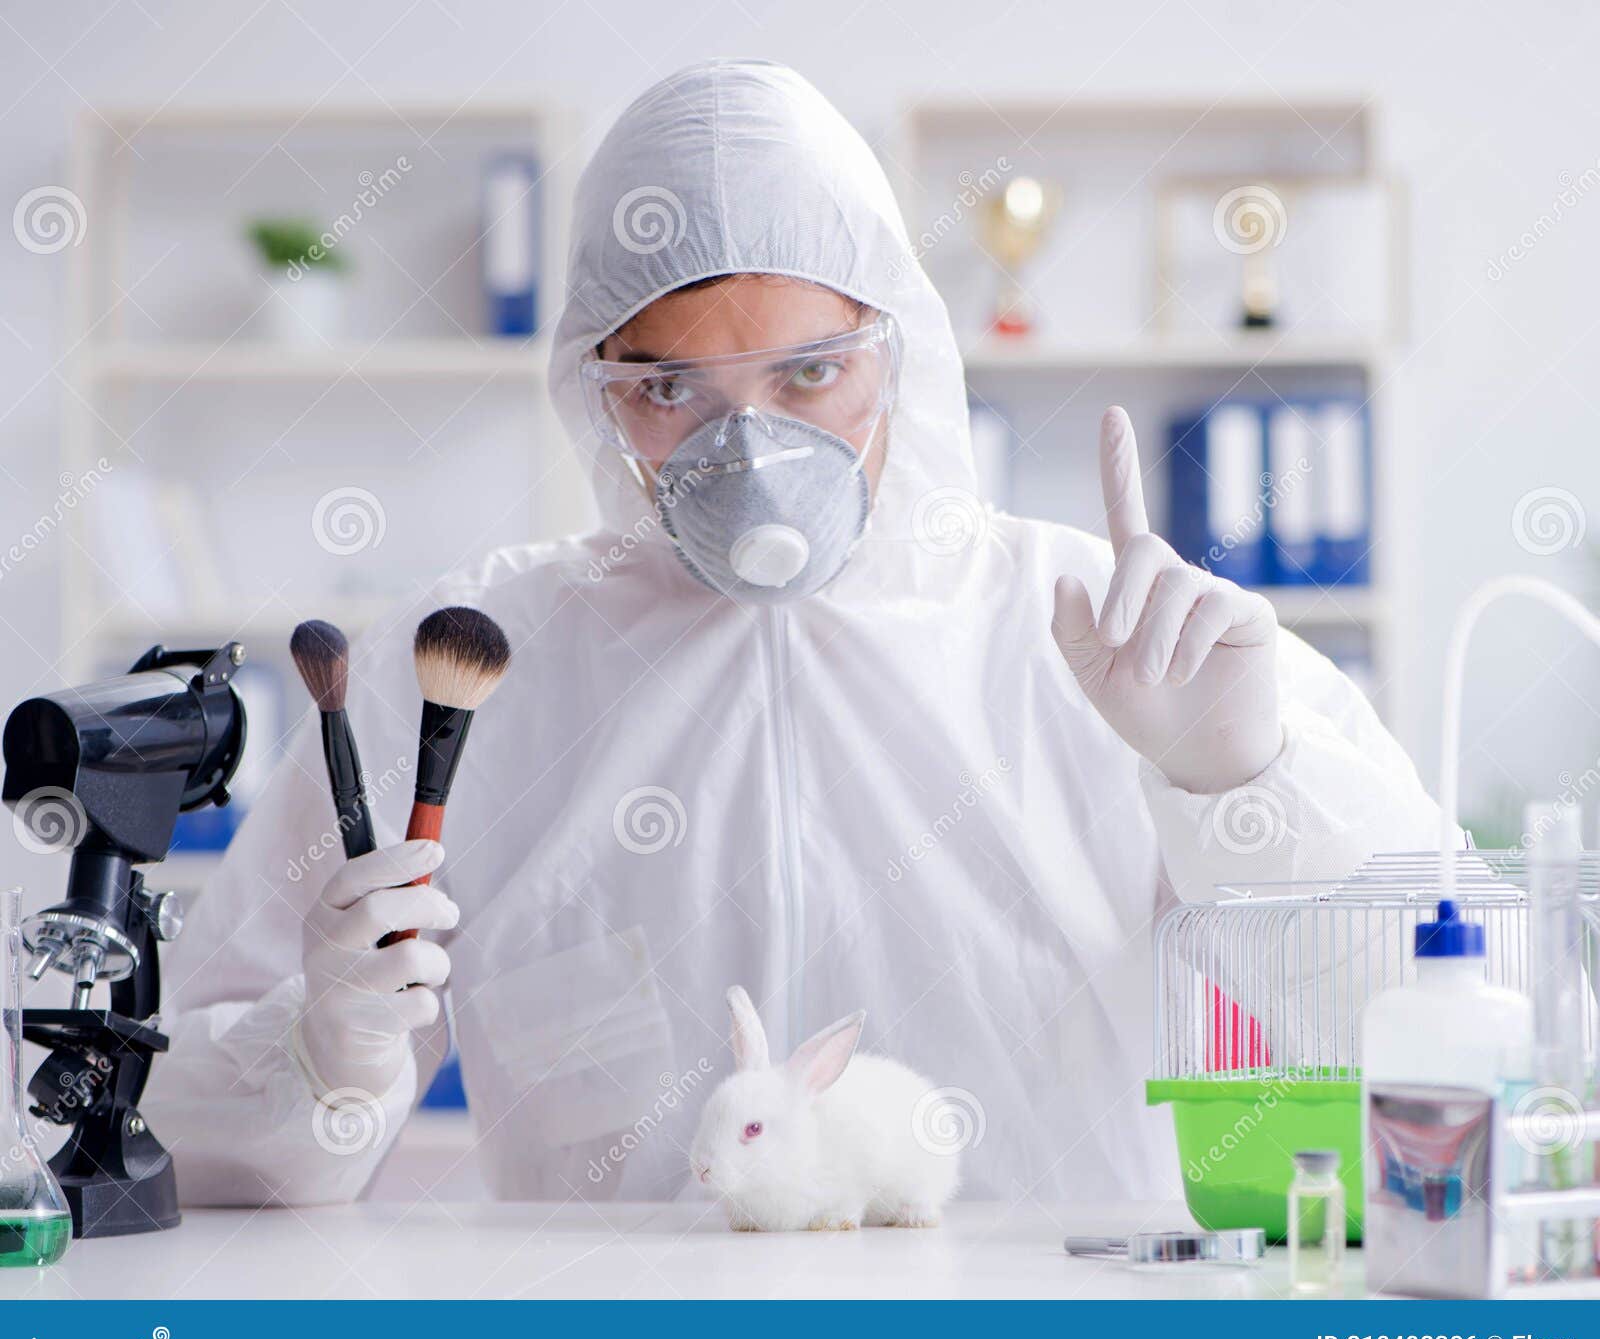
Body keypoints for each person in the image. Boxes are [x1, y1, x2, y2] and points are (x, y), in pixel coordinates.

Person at [145, 60, 1443, 1208]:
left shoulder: (1101, 632)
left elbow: (1437, 1032)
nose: (748, 446)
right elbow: (167, 1139)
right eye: (667, 388)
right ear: (596, 395)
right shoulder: (468, 667)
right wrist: (325, 1053)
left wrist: (1245, 789)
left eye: (809, 372)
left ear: (900, 352)